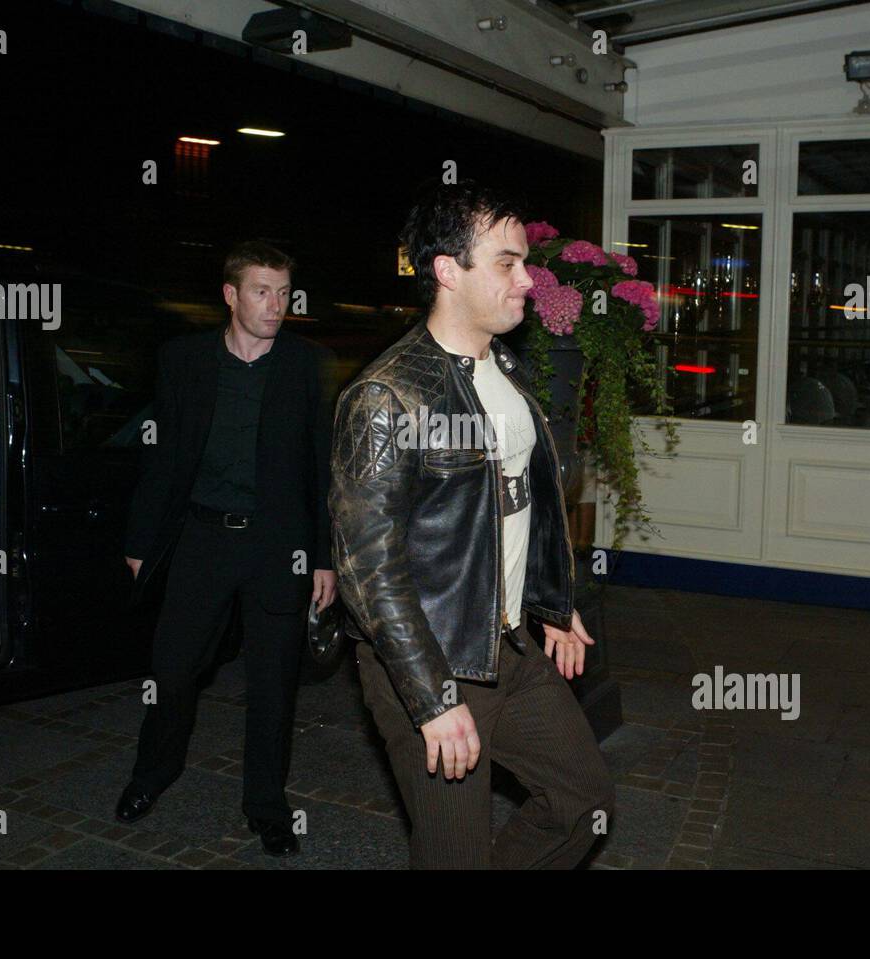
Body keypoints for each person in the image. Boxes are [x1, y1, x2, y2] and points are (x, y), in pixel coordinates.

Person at [329, 181, 615, 869]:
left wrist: (552, 602)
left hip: (511, 647)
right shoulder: (385, 395)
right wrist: (430, 699)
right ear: (447, 271)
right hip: (434, 659)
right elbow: (369, 570)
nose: (529, 280)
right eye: (508, 263)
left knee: (584, 802)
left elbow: (520, 507)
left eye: (527, 263)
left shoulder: (507, 372)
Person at [117, 241, 337, 857]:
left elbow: (321, 468)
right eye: (263, 291)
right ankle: (151, 775)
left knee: (273, 684)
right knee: (172, 669)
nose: (276, 305)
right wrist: (140, 540)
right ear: (230, 295)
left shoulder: (304, 364)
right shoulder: (183, 359)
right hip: (202, 538)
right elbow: (162, 458)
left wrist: (322, 555)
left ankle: (266, 804)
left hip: (279, 545)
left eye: (284, 293)